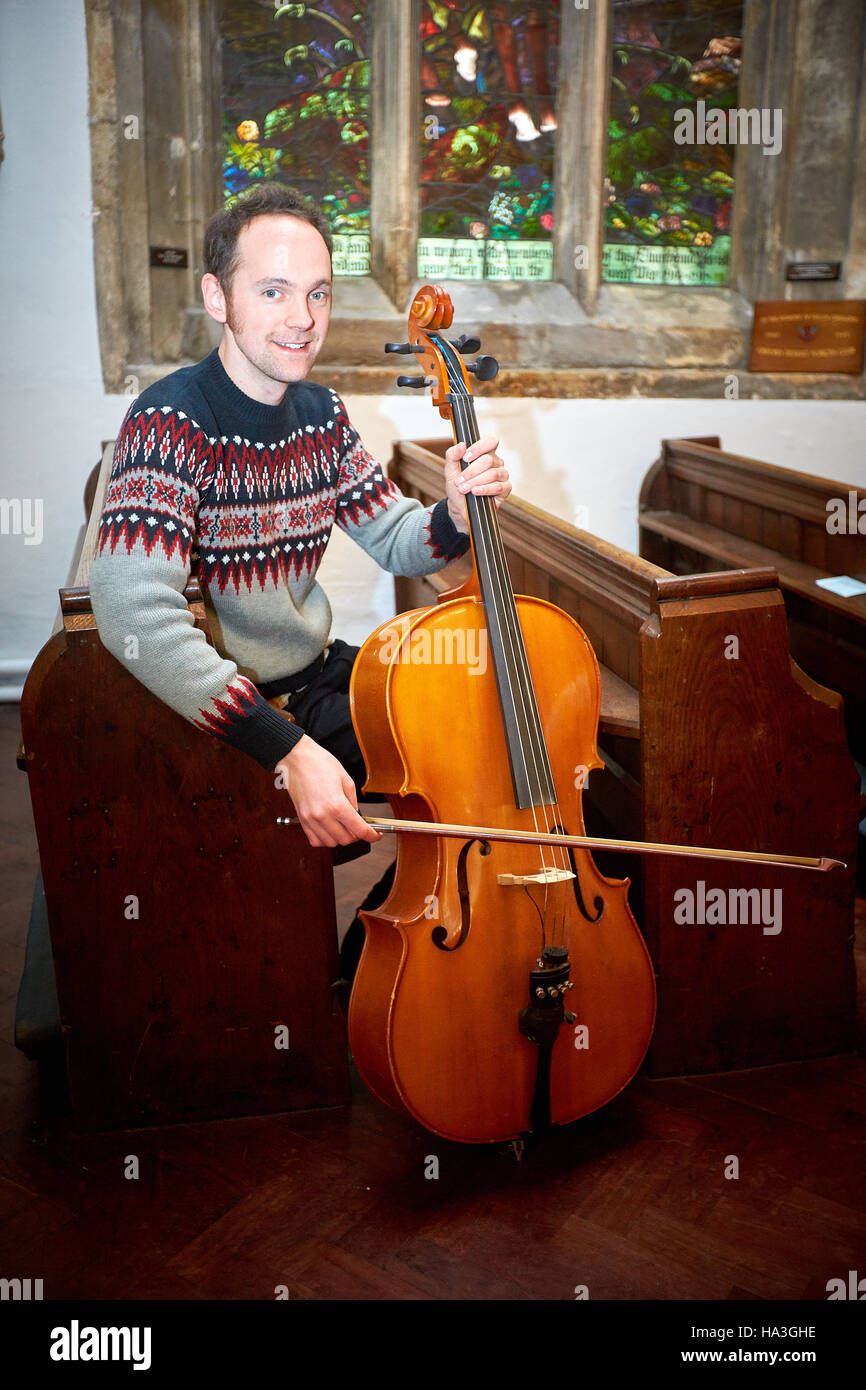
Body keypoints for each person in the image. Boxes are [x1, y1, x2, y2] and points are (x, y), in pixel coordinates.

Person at [89, 181, 511, 981]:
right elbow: (127, 608)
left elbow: (395, 539)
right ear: (217, 296)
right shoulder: (170, 419)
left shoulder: (320, 412)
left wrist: (453, 511)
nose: (303, 319)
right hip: (225, 708)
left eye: (317, 293)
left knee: (484, 738)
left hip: (310, 678)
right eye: (274, 291)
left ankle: (377, 957)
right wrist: (286, 750)